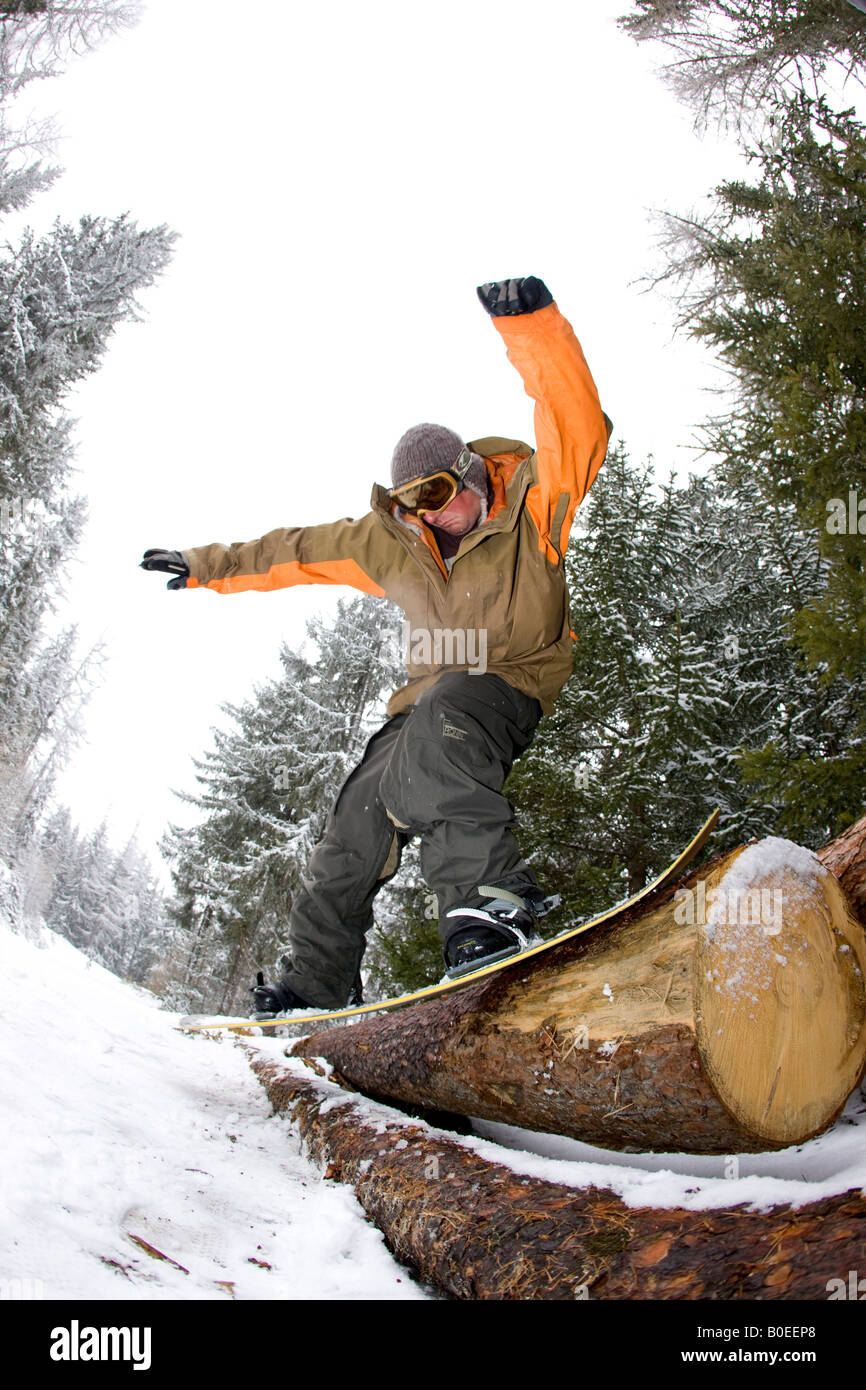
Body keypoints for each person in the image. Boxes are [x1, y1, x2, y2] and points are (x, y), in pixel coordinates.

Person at [141, 275, 611, 1012]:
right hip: (419, 709)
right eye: (412, 503)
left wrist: (533, 329)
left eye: (439, 495)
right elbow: (291, 549)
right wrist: (205, 567)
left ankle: (488, 908)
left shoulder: (534, 504)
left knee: (450, 716)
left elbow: (577, 423)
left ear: (470, 476)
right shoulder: (391, 542)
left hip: (505, 688)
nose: (433, 515)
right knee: (355, 819)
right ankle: (316, 981)